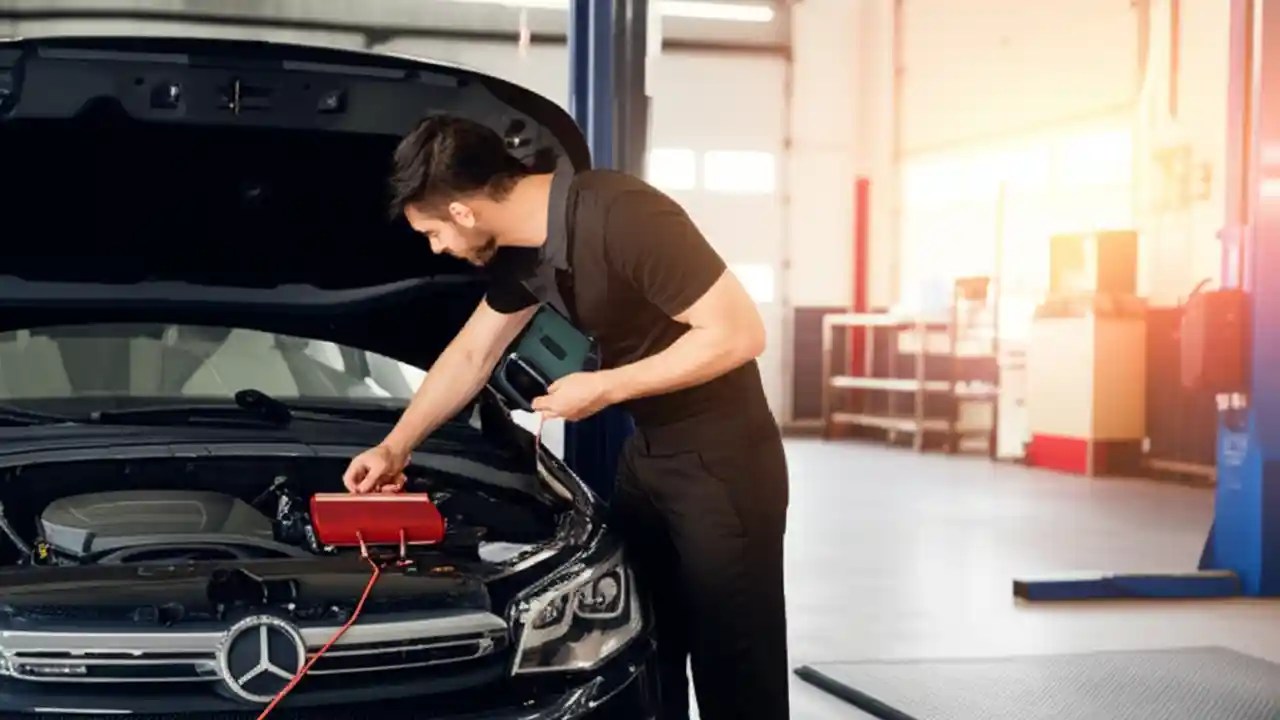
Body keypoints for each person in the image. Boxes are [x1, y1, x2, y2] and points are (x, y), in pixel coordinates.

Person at [342, 115, 790, 720]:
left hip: (725, 461)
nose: (437, 249)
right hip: (650, 453)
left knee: (733, 661)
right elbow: (473, 353)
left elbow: (739, 332)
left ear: (463, 212)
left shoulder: (624, 215)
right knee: (645, 641)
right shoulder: (527, 255)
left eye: (431, 233)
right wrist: (395, 448)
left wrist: (604, 388)